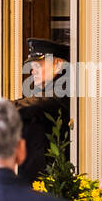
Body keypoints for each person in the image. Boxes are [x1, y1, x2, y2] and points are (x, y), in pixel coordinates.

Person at [16, 37, 71, 184]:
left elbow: (35, 105)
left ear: (58, 65)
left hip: (53, 183)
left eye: (38, 65)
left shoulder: (63, 90)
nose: (33, 71)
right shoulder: (46, 90)